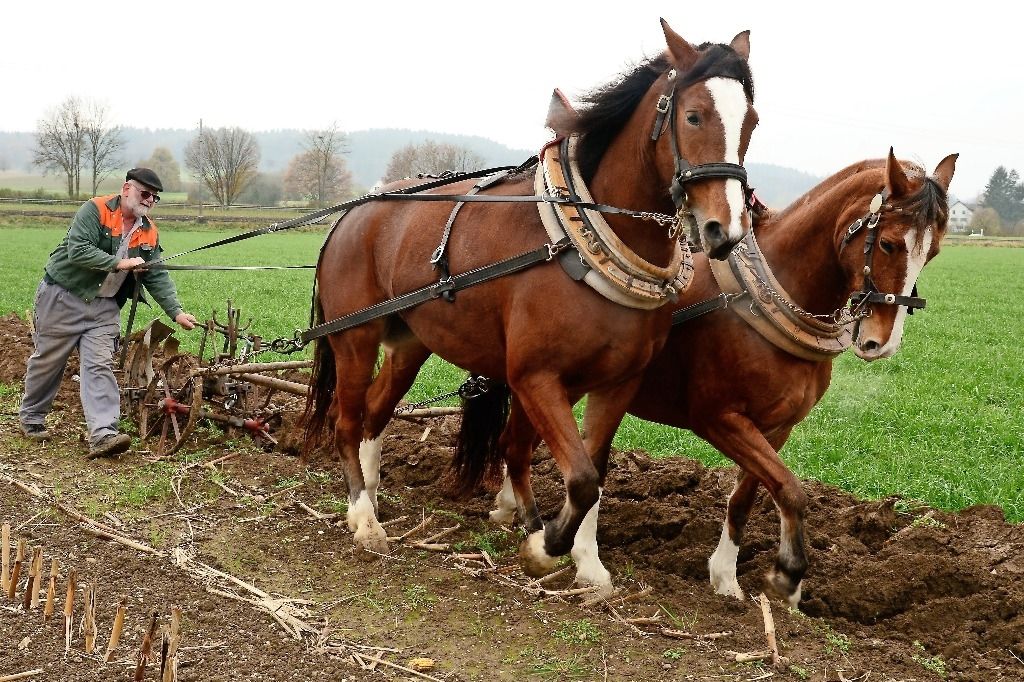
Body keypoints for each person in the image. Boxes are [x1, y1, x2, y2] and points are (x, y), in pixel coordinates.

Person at [19, 168, 198, 458]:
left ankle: (103, 433)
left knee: (100, 364)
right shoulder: (96, 210)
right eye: (145, 193)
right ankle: (32, 417)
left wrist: (176, 312)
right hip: (64, 296)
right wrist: (120, 264)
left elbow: (156, 275)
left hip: (104, 307)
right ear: (127, 188)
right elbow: (78, 250)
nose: (150, 200)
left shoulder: (148, 231)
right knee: (49, 361)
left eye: (155, 197)